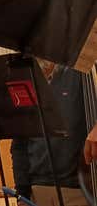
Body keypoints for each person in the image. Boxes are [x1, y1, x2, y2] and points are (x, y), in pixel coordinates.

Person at [11, 61, 88, 206]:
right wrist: (22, 193)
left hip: (77, 190)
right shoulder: (24, 79)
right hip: (36, 190)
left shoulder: (79, 71)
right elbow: (19, 146)